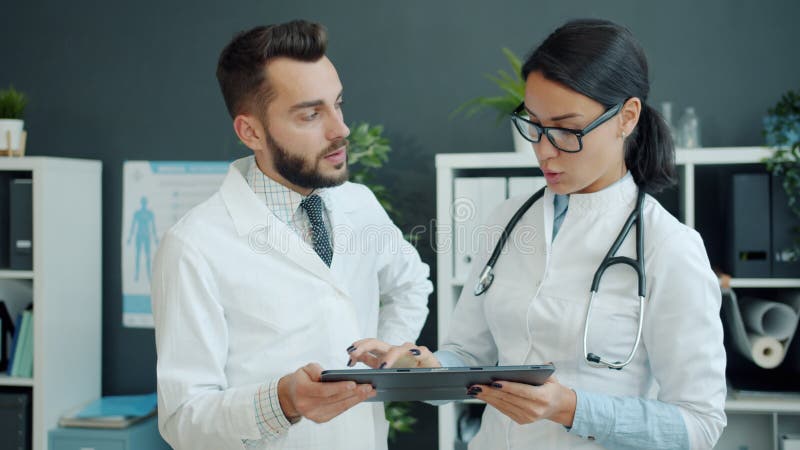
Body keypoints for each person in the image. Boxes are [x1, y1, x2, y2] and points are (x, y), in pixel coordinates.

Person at [348, 19, 726, 449]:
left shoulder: (669, 247)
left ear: (627, 117)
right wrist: (419, 368)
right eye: (534, 125)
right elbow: (467, 361)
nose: (544, 149)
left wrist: (567, 407)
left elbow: (699, 425)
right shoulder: (507, 221)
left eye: (567, 130)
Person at [151, 20, 432, 450]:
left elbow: (410, 283)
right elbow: (182, 419)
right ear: (251, 132)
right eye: (311, 114)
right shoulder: (194, 246)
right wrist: (281, 402)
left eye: (338, 105)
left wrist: (389, 354)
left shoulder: (357, 202)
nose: (340, 129)